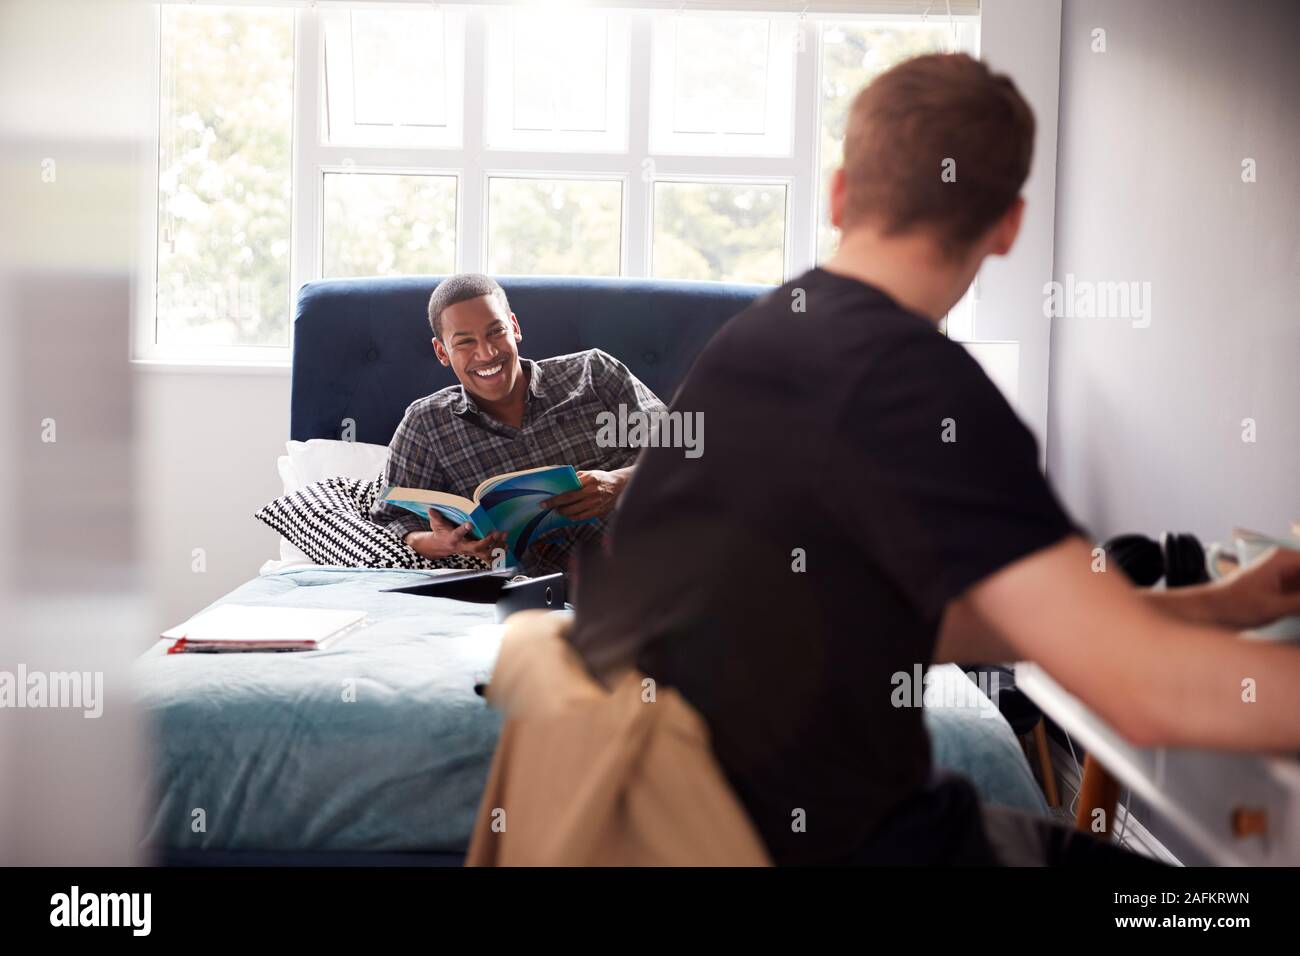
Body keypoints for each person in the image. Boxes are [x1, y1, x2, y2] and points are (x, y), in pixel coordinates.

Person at [569, 53, 1300, 865]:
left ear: (841, 192)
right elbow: (1149, 693)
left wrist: (1219, 609)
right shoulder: (913, 381)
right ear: (1011, 224)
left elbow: (925, 624)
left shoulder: (758, 339)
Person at [370, 273, 665, 575]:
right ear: (442, 352)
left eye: (496, 332)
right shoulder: (427, 425)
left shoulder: (593, 374)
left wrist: (619, 483)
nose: (486, 353)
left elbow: (692, 448)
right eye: (465, 342)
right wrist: (442, 543)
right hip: (543, 600)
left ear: (514, 326)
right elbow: (392, 518)